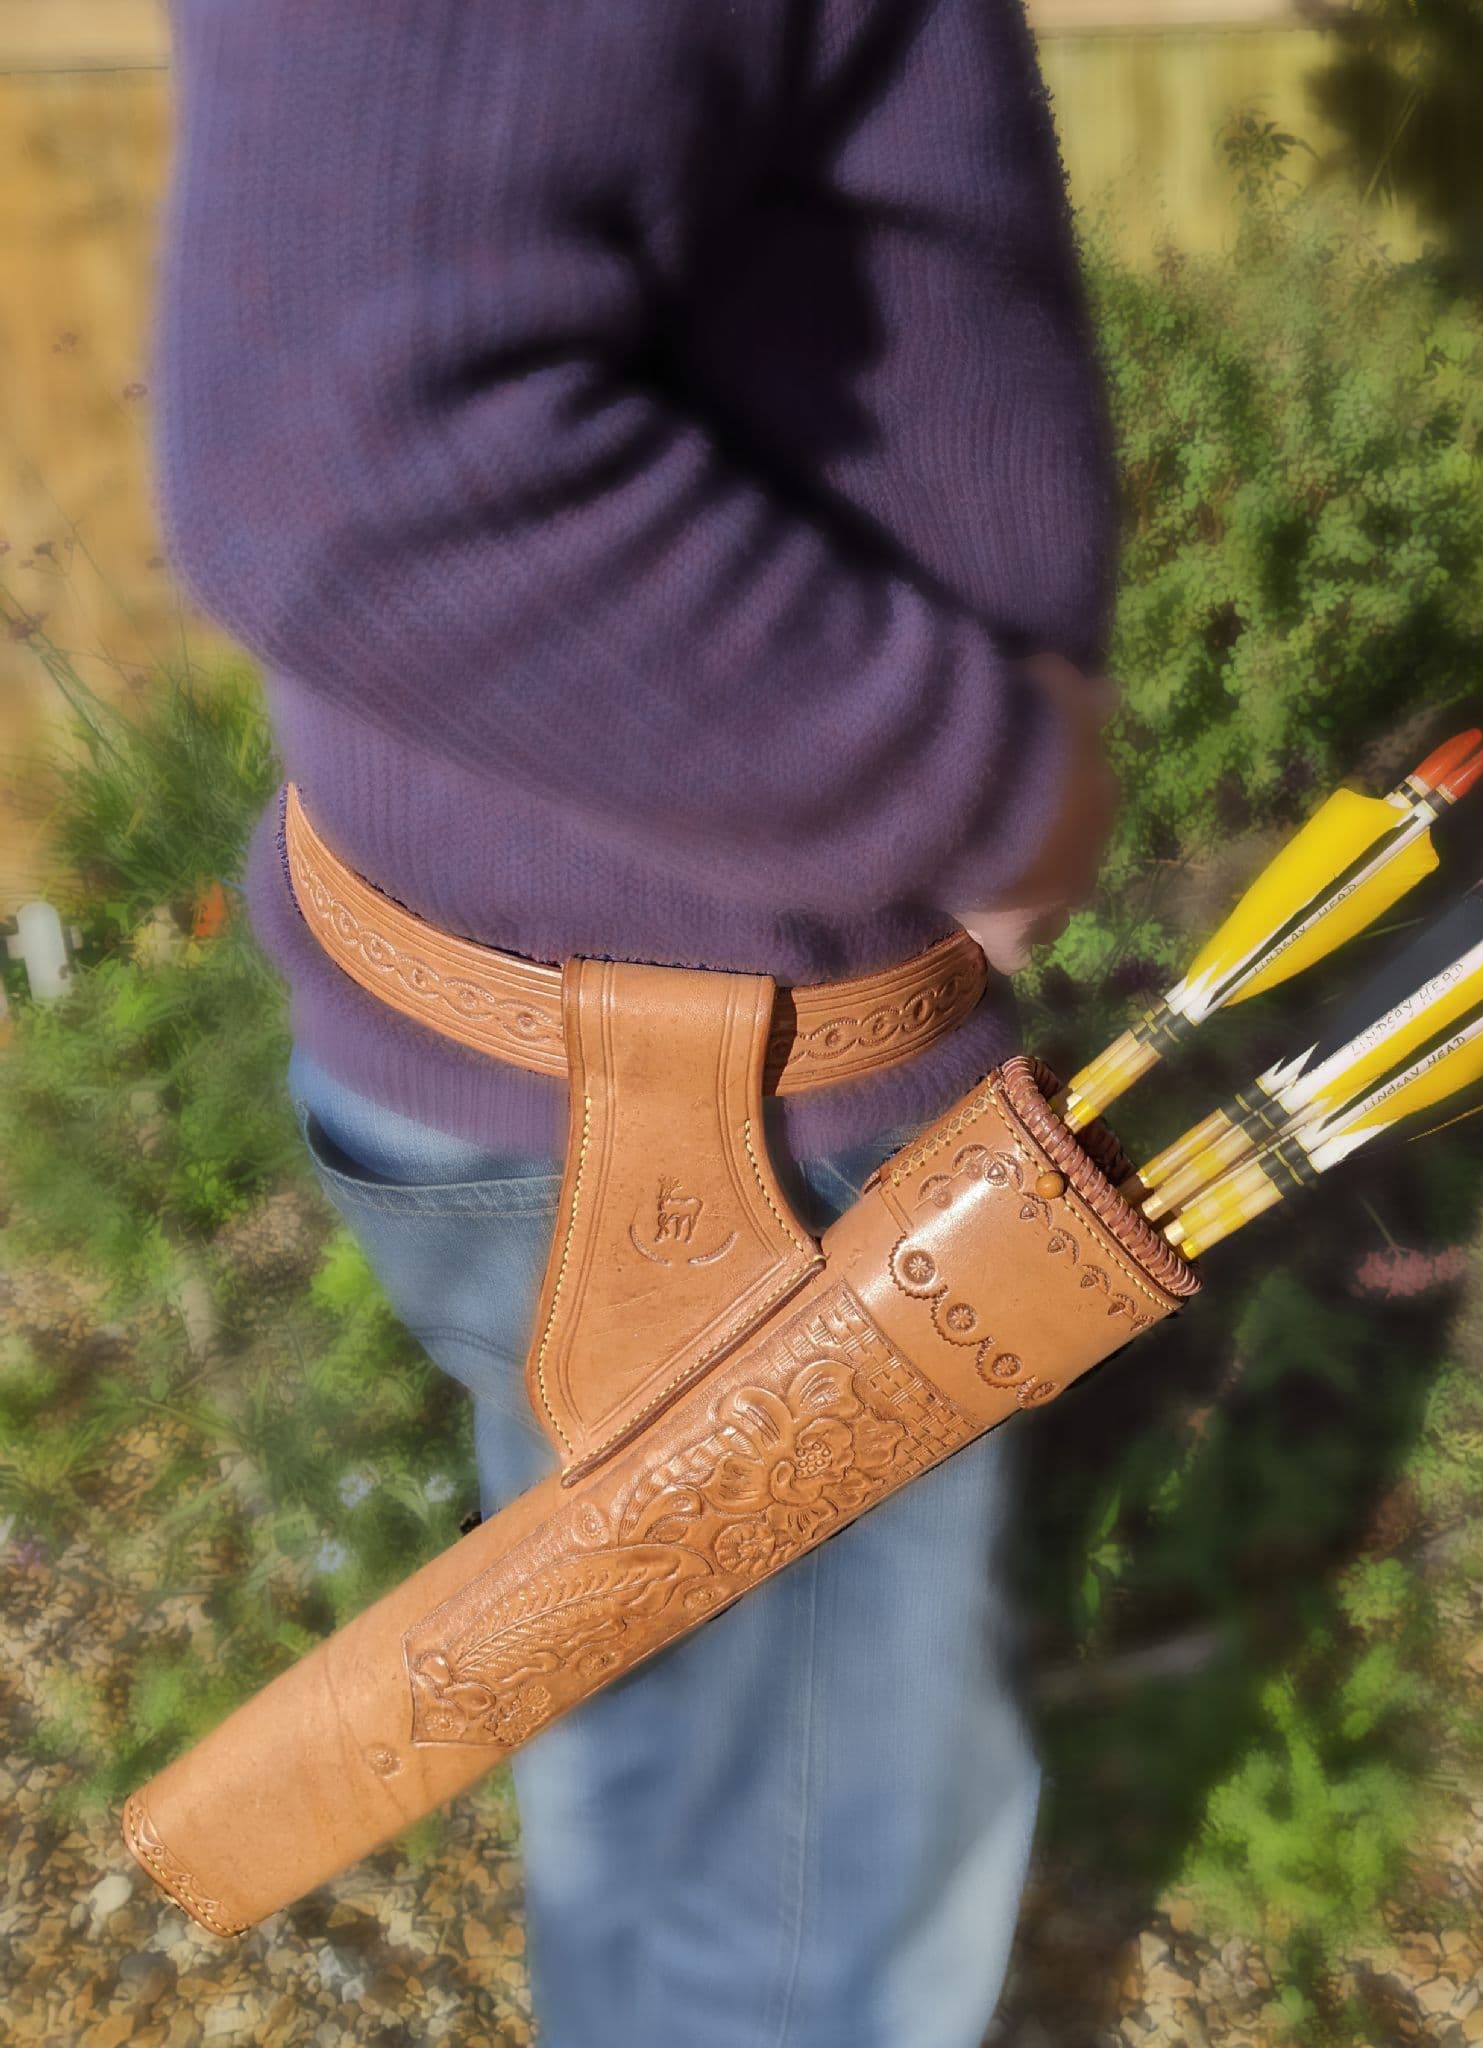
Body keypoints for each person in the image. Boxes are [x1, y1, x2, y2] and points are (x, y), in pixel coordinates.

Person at [155, 3, 1120, 2042]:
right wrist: (988, 785)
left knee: (710, 1799)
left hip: (652, 1055)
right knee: (788, 1922)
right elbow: (348, 472)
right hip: (711, 1124)